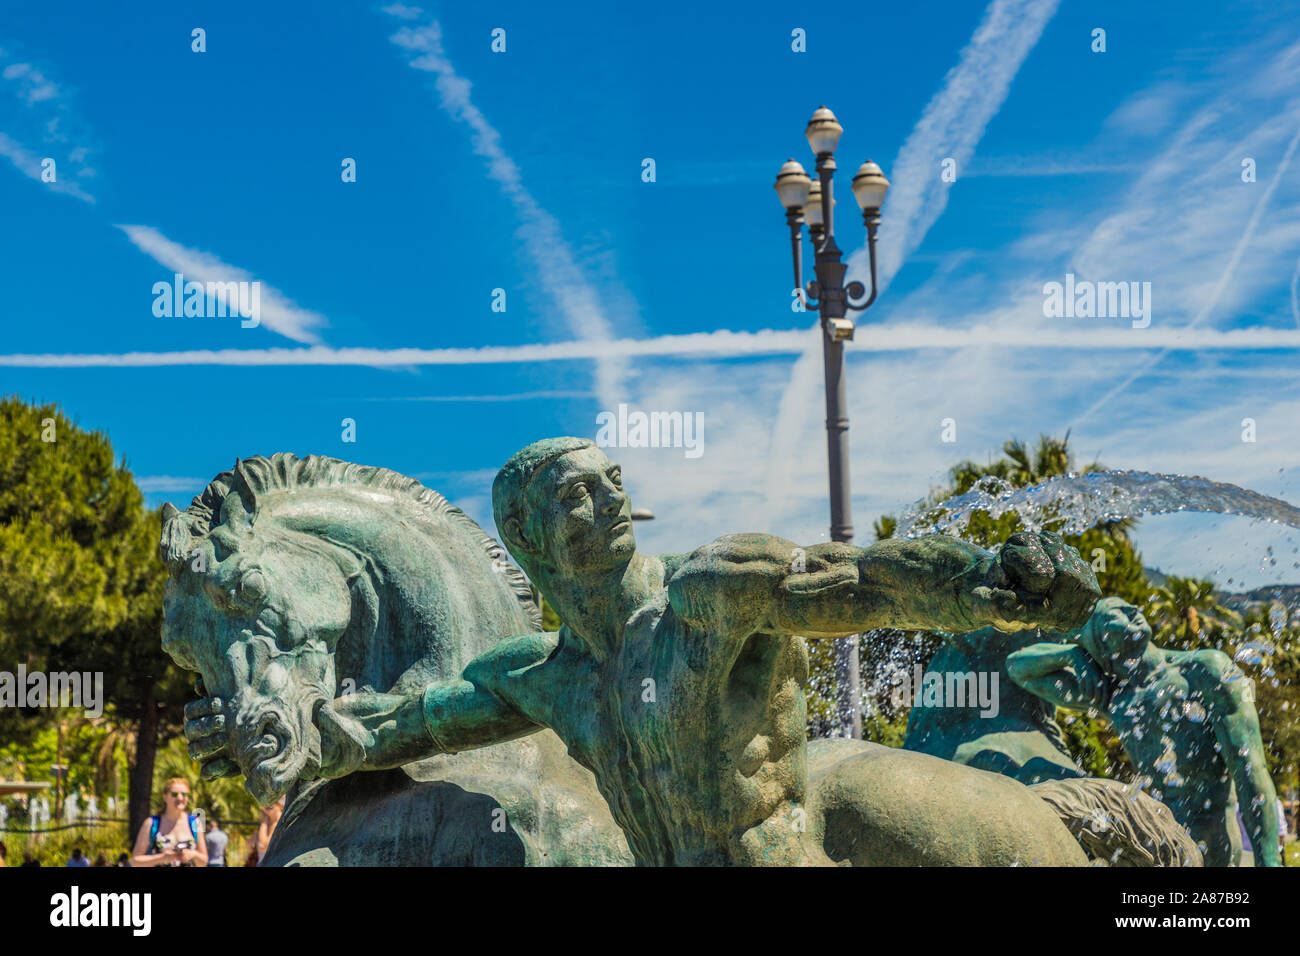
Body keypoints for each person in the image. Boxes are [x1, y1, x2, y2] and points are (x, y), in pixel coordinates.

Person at [187, 437, 1098, 866]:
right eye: (580, 493)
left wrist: (982, 582)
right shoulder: (544, 676)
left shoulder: (706, 596)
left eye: (614, 483)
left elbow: (847, 583)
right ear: (532, 537)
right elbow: (413, 722)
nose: (612, 501)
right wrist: (286, 728)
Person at [1008, 597, 1284, 867]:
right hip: (1155, 839)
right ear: (1101, 645)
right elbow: (1018, 667)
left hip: (1211, 845)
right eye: (1113, 613)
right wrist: (1069, 654)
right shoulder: (1114, 699)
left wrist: (1268, 861)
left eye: (1128, 606)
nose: (1132, 608)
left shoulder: (1204, 669)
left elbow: (1250, 769)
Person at [130, 777, 207, 867]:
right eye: (174, 794)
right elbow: (135, 861)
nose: (180, 797)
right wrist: (162, 857)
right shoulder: (151, 823)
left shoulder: (195, 823)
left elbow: (204, 861)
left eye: (184, 794)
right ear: (165, 797)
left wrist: (193, 854)